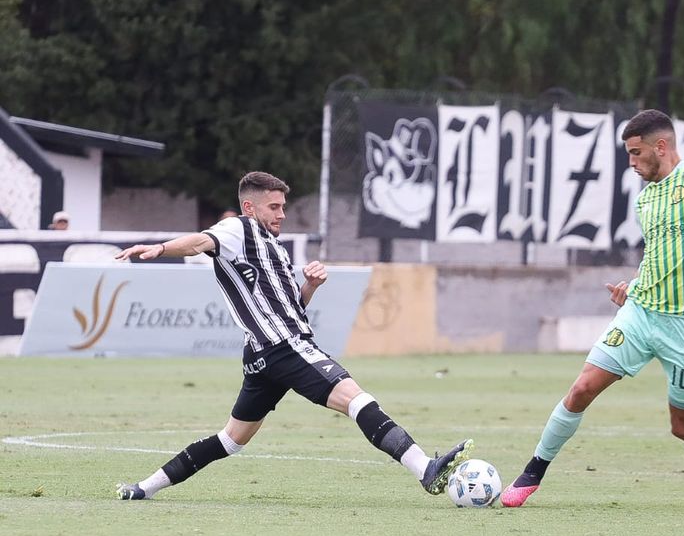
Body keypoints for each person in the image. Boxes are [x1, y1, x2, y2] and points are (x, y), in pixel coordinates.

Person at [113, 171, 472, 501]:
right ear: (249, 207)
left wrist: (310, 286)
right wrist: (160, 248)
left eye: (283, 206)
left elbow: (293, 310)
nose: (281, 214)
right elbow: (198, 243)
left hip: (262, 357)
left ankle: (144, 488)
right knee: (357, 400)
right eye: (274, 206)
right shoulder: (239, 229)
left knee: (230, 440)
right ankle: (425, 469)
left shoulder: (276, 252)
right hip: (284, 348)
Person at [499, 109, 684, 508]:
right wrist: (632, 287)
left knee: (683, 426)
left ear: (660, 147)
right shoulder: (646, 199)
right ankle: (533, 472)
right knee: (582, 388)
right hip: (642, 313)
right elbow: (659, 256)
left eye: (636, 153)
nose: (631, 164)